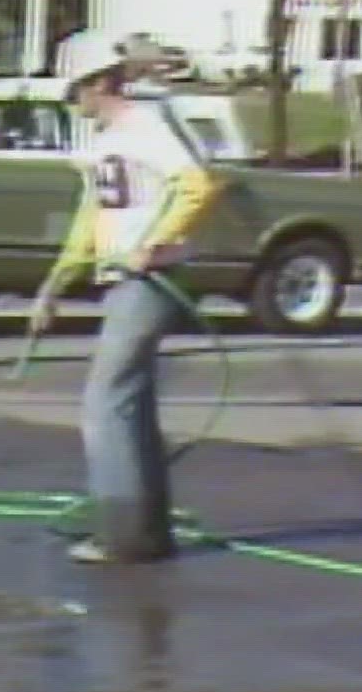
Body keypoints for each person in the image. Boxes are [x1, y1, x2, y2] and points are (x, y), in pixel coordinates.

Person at [30, 34, 221, 564]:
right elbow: (92, 217)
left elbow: (199, 185)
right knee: (129, 402)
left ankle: (123, 535)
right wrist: (56, 283)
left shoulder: (145, 127)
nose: (73, 104)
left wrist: (152, 246)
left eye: (75, 93)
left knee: (106, 401)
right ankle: (148, 531)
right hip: (121, 281)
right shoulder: (101, 143)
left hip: (150, 281)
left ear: (98, 84)